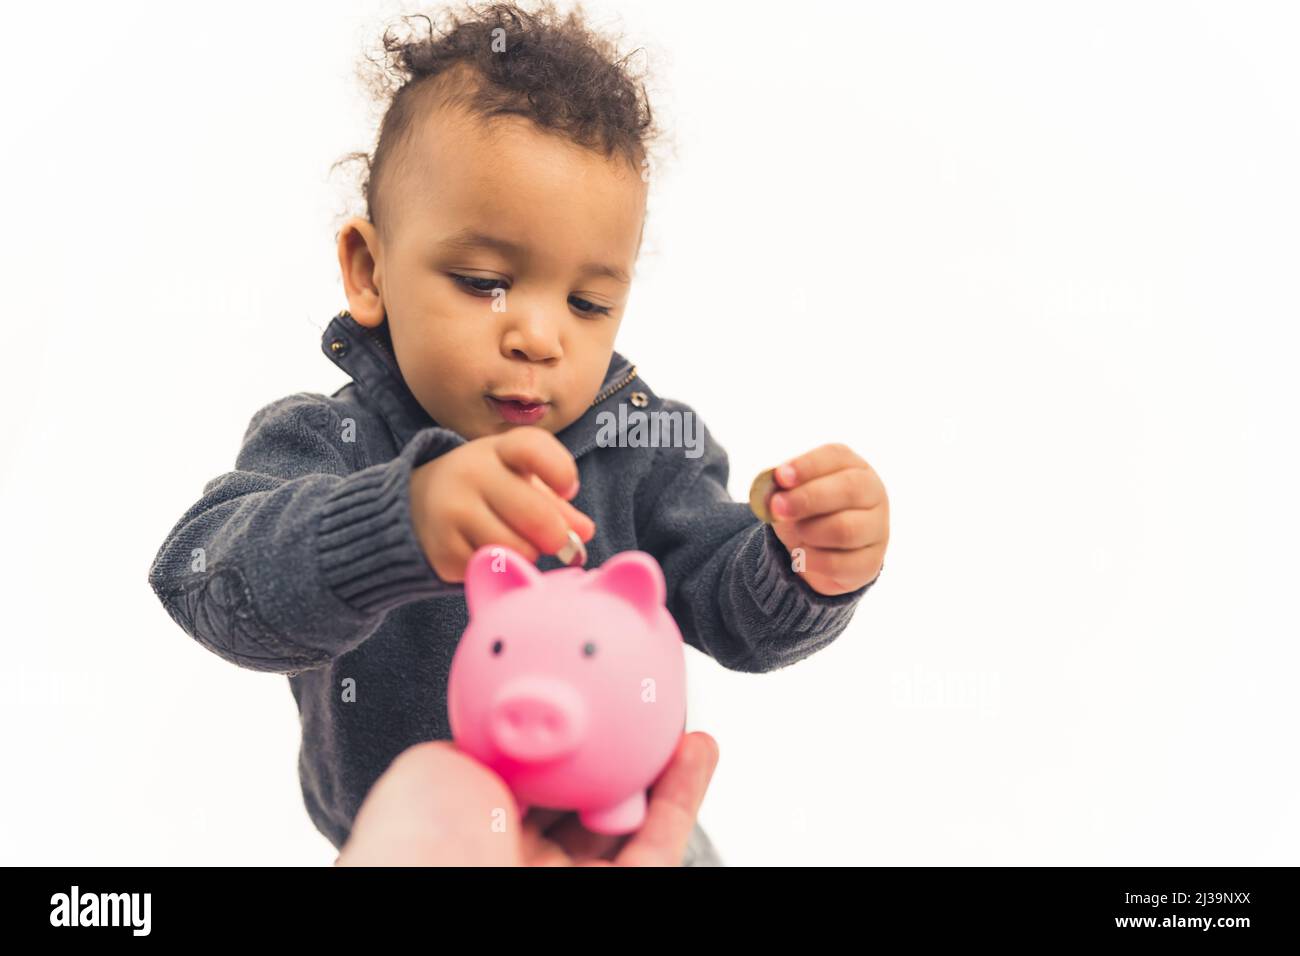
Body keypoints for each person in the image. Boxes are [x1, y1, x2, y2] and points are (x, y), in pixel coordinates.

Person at [147, 1, 889, 867]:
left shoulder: (640, 445)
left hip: (622, 839)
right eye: (482, 280)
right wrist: (399, 524)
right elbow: (202, 579)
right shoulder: (327, 444)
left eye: (588, 303)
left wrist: (804, 569)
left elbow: (733, 608)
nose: (539, 336)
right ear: (369, 268)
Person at [335, 732, 719, 866]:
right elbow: (273, 619)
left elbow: (707, 583)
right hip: (401, 824)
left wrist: (776, 563)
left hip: (635, 811)